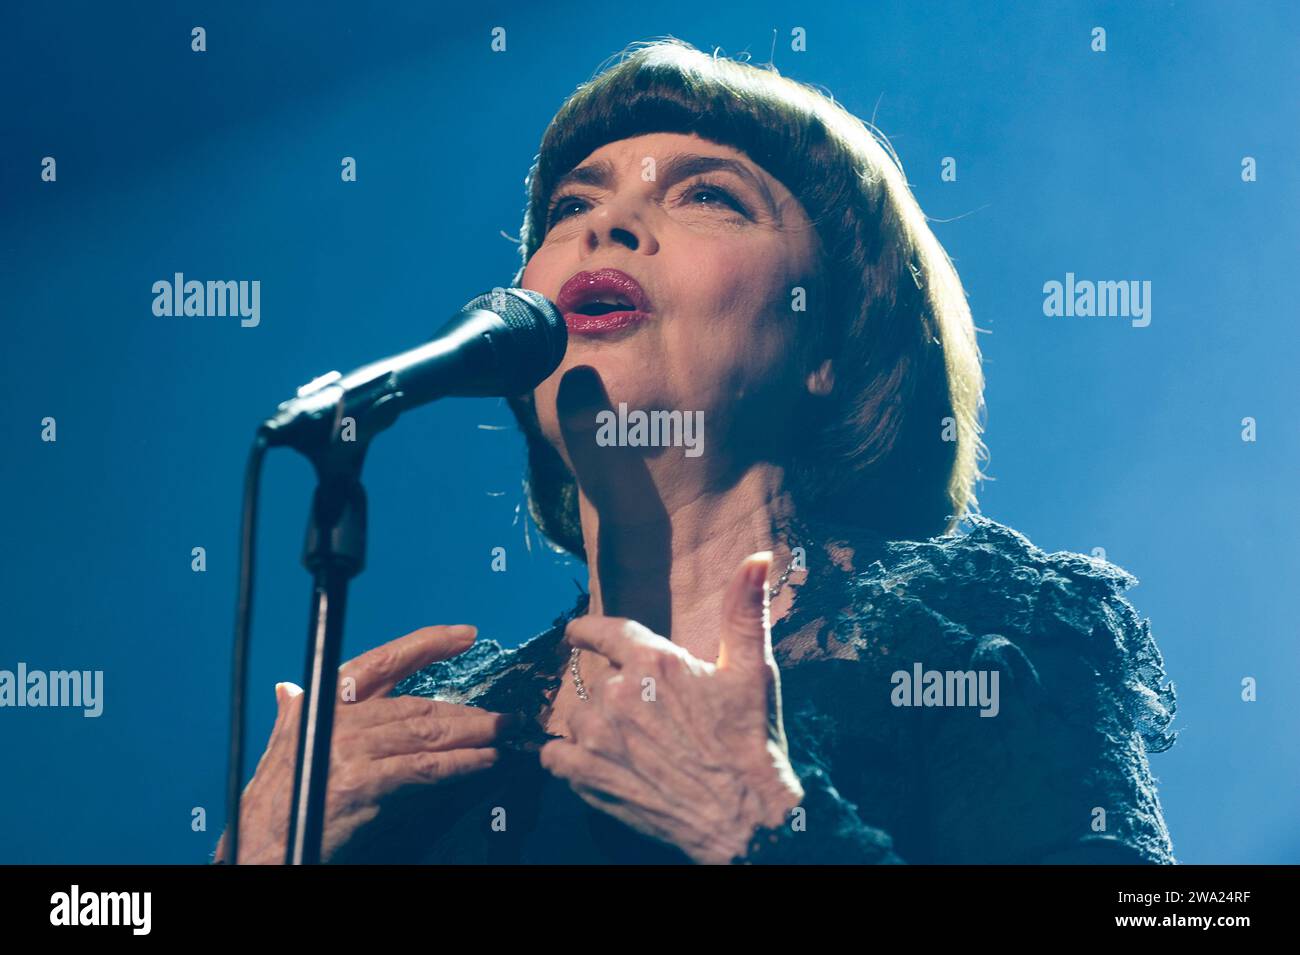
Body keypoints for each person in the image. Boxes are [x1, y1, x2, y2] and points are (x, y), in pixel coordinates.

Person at [212, 38, 1178, 865]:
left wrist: (762, 828)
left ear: (827, 346)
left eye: (709, 196)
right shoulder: (424, 738)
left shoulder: (976, 639)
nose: (607, 222)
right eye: (569, 206)